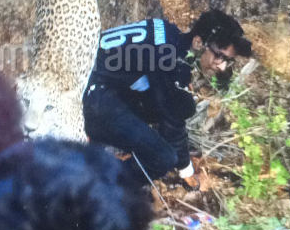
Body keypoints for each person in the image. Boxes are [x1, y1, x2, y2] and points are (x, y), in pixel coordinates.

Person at [82, 10, 252, 190]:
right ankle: (98, 189)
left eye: (228, 61)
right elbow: (170, 116)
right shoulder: (168, 57)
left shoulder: (167, 34)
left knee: (174, 105)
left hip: (92, 81)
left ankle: (97, 154)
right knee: (162, 157)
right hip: (86, 93)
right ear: (198, 42)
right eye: (220, 56)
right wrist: (185, 168)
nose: (222, 66)